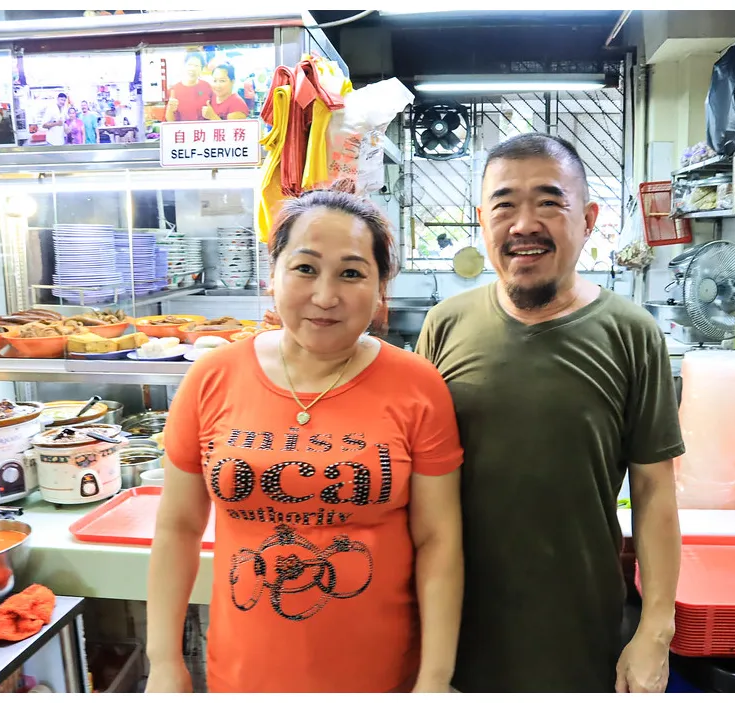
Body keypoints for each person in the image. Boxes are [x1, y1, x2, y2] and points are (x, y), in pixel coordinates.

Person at [146, 189, 465, 694]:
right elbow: (178, 529)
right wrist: (163, 663)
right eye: (305, 268)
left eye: (353, 273)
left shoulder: (418, 387)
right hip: (243, 677)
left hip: (382, 677)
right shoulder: (212, 378)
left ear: (382, 286)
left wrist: (435, 679)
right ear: (273, 274)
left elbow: (439, 541)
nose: (325, 296)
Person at [417, 133, 684, 693]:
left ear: (587, 218)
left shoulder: (632, 334)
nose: (524, 224)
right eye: (505, 204)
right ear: (481, 220)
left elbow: (656, 492)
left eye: (548, 202)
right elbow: (416, 482)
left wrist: (655, 628)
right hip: (450, 636)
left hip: (580, 636)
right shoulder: (445, 324)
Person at [165, 51, 212, 122]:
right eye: (189, 64)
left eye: (196, 66)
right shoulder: (173, 91)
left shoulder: (207, 86)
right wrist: (170, 110)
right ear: (184, 66)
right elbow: (169, 121)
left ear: (201, 69)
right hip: (182, 131)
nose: (192, 68)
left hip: (202, 131)